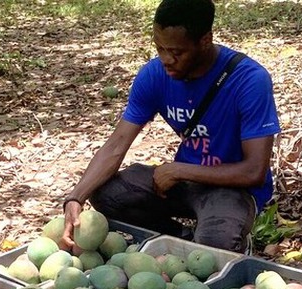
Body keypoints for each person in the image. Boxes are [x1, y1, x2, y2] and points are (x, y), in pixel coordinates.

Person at [59, 0, 281, 254]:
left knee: (217, 243)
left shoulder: (249, 80)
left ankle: (224, 242)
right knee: (106, 194)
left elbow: (254, 171)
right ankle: (179, 240)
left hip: (233, 189)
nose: (166, 59)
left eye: (177, 52)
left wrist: (179, 171)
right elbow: (117, 144)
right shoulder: (154, 75)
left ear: (205, 40)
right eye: (160, 48)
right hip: (183, 182)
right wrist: (76, 197)